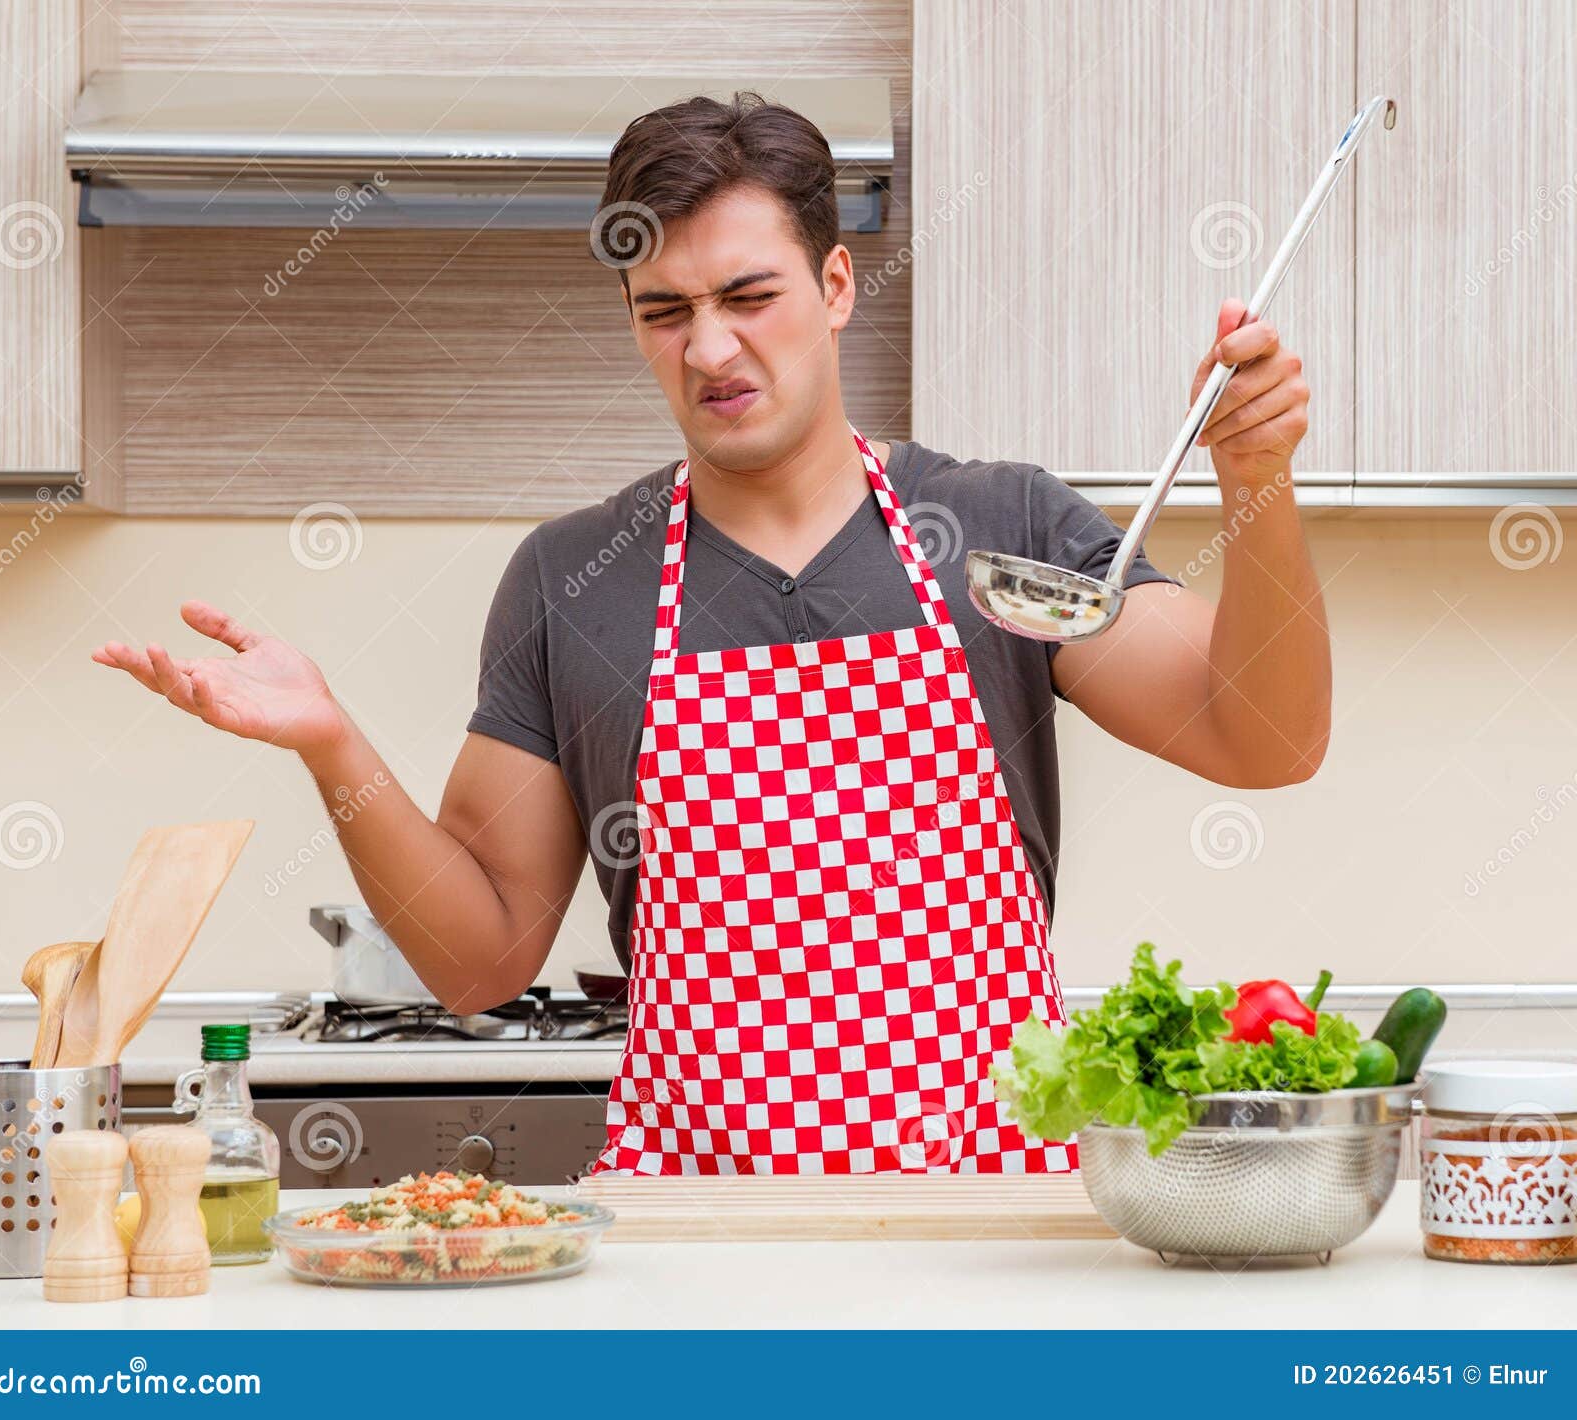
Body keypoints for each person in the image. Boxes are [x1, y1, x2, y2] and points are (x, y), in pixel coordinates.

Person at [94, 93, 1328, 1176]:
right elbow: (480, 964)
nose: (711, 348)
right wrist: (331, 743)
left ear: (836, 288)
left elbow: (1262, 739)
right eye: (664, 310)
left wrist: (1255, 481)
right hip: (692, 1227)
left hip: (988, 1212)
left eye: (749, 296)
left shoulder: (997, 527)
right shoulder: (573, 578)